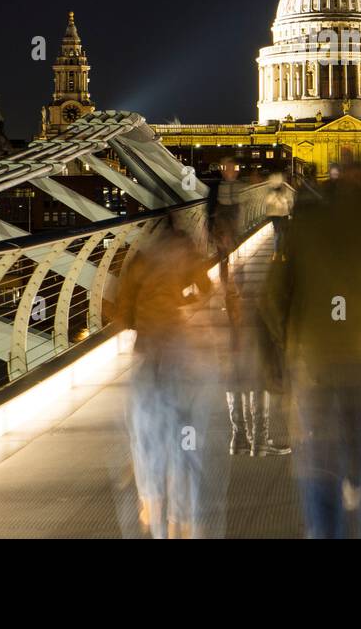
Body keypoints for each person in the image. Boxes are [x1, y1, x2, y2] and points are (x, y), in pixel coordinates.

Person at [261, 168, 361, 538]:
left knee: (319, 458)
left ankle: (326, 529)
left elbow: (271, 299)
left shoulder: (302, 226)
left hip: (313, 360)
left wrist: (292, 340)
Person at [114, 213, 217, 538]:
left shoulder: (141, 260)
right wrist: (183, 299)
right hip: (179, 351)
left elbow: (123, 312)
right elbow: (206, 288)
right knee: (184, 435)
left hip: (148, 350)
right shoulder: (187, 253)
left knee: (144, 433)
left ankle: (151, 501)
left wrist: (144, 316)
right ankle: (181, 519)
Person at [208, 157, 249, 453]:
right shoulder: (222, 191)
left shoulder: (225, 191)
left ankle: (243, 434)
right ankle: (245, 433)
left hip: (230, 237)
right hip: (230, 238)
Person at [264, 171, 293, 259]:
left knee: (278, 233)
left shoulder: (271, 189)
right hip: (282, 214)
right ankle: (281, 253)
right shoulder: (285, 188)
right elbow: (290, 200)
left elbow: (267, 201)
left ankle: (276, 253)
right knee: (282, 233)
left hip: (276, 214)